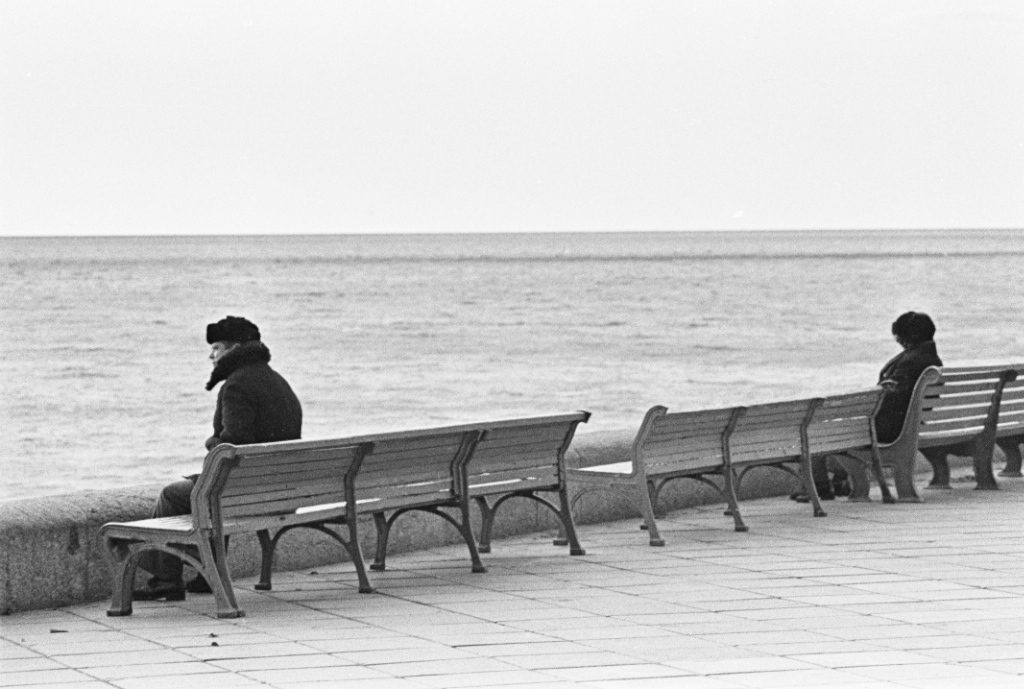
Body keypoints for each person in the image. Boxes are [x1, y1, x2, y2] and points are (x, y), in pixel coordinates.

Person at [133, 316, 303, 601]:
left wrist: (211, 442)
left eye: (216, 348)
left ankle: (165, 577)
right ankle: (205, 575)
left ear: (235, 348)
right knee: (214, 489)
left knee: (174, 494)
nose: (211, 355)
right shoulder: (278, 382)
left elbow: (232, 443)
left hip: (248, 491)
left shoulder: (237, 386)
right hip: (279, 491)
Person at [797, 311, 943, 502]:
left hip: (891, 428)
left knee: (821, 431)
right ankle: (836, 482)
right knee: (832, 433)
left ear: (908, 338)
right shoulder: (931, 361)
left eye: (899, 337)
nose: (897, 341)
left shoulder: (911, 362)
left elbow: (890, 398)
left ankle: (820, 487)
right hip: (908, 424)